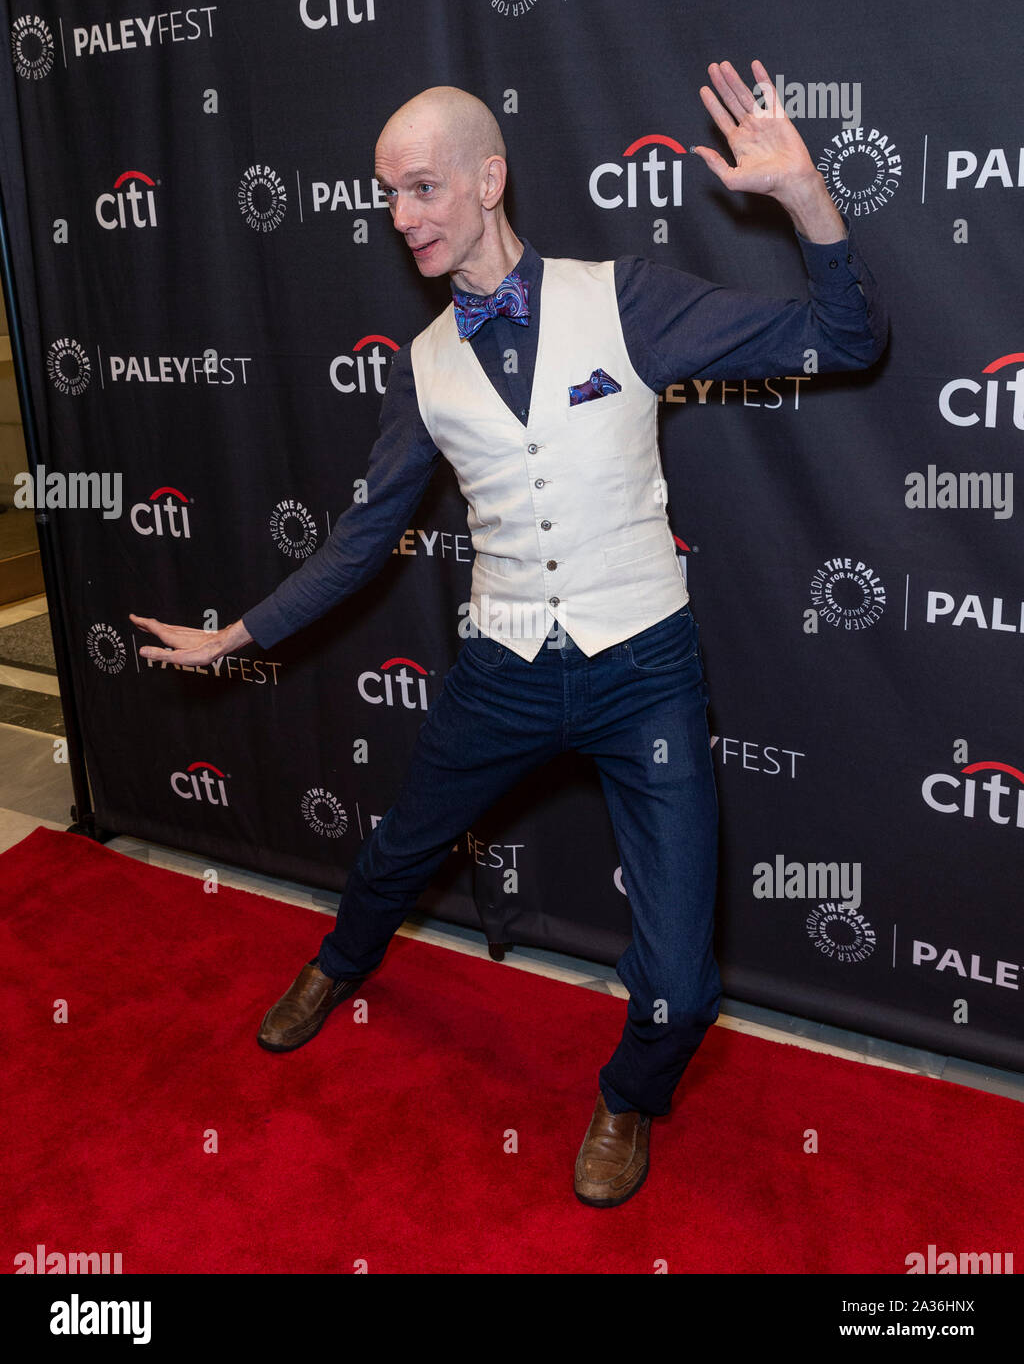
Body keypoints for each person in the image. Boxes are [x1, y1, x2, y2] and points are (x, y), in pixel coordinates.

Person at [131, 61, 887, 1209]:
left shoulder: (623, 297)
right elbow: (358, 538)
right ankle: (338, 963)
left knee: (680, 982)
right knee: (394, 851)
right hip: (501, 672)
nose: (402, 218)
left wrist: (804, 201)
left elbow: (848, 340)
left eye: (423, 187)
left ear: (490, 179)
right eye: (388, 195)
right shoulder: (423, 366)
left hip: (644, 672)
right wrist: (234, 631)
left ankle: (630, 1096)